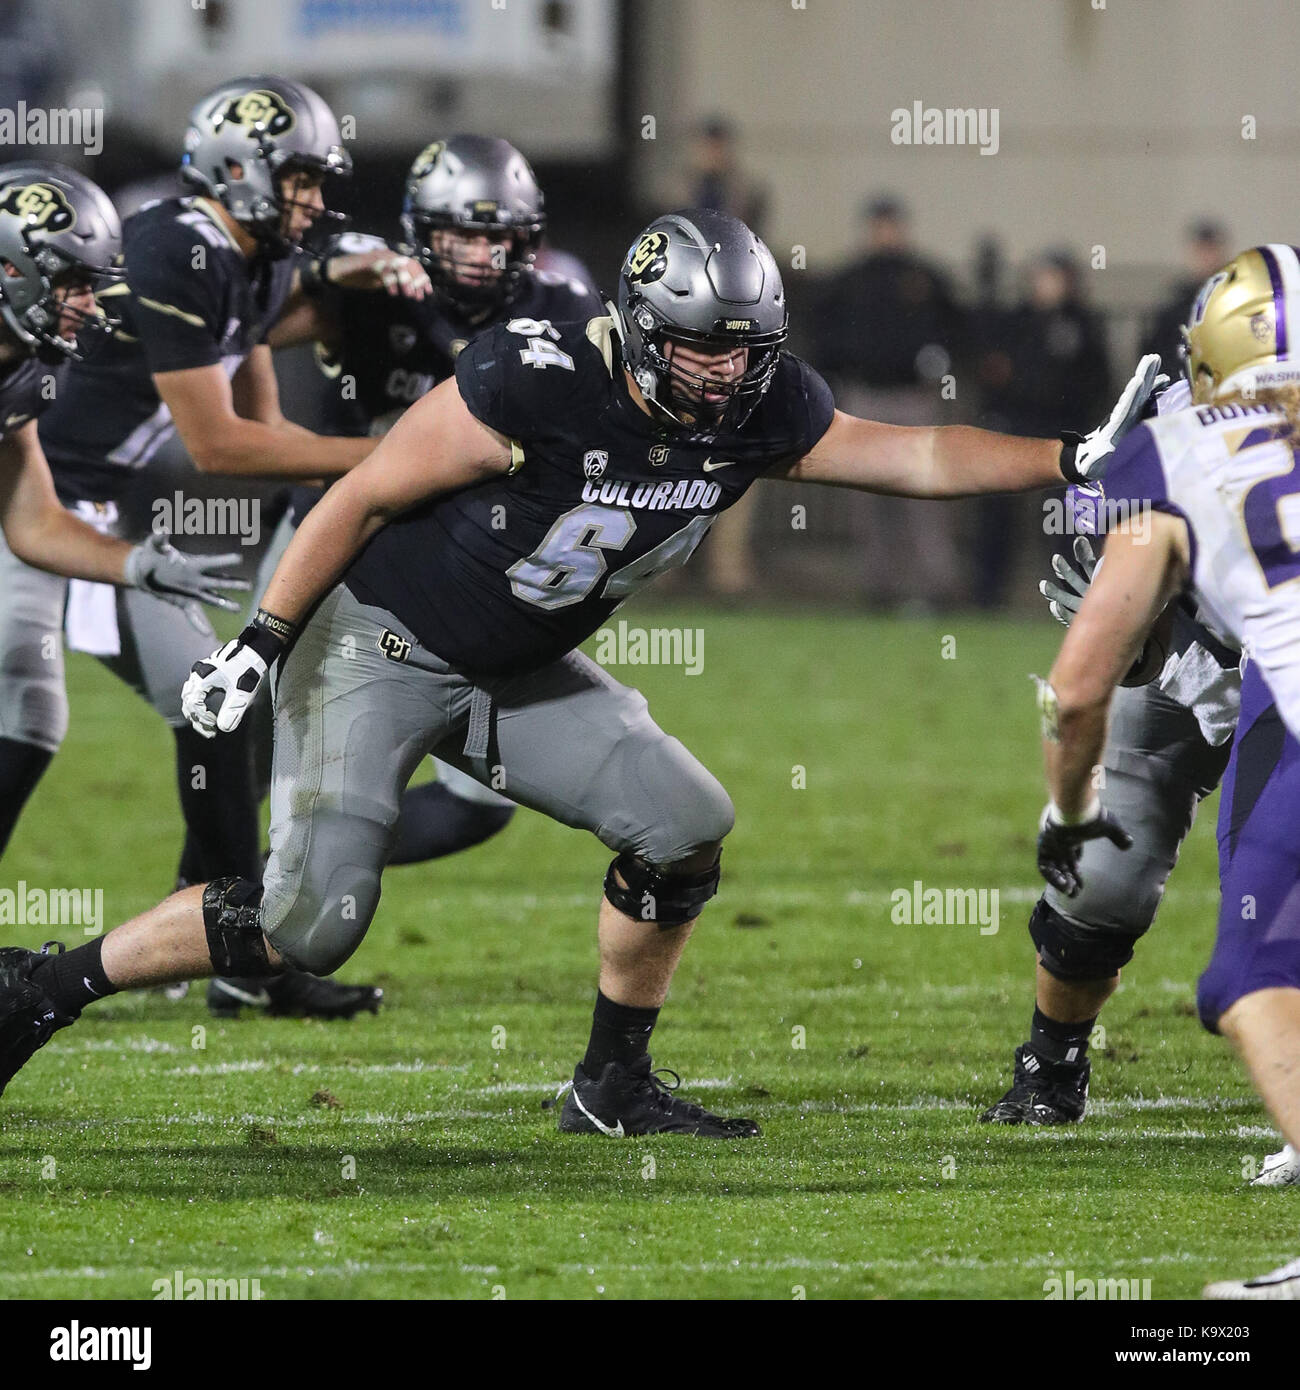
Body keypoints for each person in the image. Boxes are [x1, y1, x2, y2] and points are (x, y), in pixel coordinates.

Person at [0, 208, 1158, 1137]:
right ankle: (43, 988)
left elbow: (914, 451)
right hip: (376, 643)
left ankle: (610, 1086)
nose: (728, 371)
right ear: (644, 329)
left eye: (746, 347)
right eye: (703, 345)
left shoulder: (763, 406)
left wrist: (1071, 456)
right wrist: (259, 640)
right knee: (311, 924)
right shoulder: (537, 374)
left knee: (682, 824)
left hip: (517, 667)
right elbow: (361, 496)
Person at [0, 75, 424, 1017]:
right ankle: (223, 934)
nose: (313, 200)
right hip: (53, 510)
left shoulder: (252, 261)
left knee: (205, 704)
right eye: (299, 178)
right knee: (36, 715)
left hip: (71, 512)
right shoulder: (177, 250)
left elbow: (252, 428)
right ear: (239, 169)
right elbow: (219, 443)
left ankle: (227, 939)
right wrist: (397, 460)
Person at [1031, 245, 1300, 1298]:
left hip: (1267, 696)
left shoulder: (1179, 443)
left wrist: (1068, 807)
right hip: (1247, 694)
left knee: (1252, 971)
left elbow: (1080, 681)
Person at [0, 160, 245, 855]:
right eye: (73, 282)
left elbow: (34, 520)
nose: (90, 302)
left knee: (28, 715)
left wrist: (137, 565)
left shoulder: (25, 365)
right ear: (12, 270)